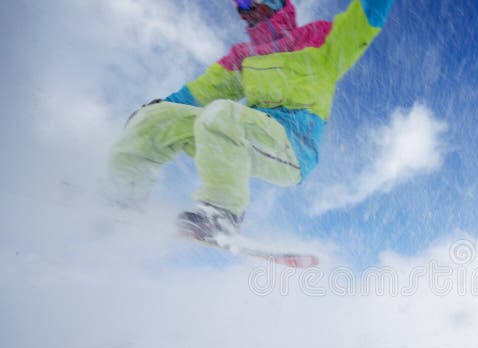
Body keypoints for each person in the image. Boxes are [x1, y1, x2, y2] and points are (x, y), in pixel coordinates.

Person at [108, 0, 393, 241]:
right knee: (159, 118)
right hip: (246, 134)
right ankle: (123, 194)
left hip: (293, 148)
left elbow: (363, 19)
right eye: (236, 4)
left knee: (221, 114)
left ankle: (223, 215)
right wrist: (153, 111)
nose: (241, 11)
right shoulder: (243, 58)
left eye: (246, 2)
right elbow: (199, 92)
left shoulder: (321, 40)